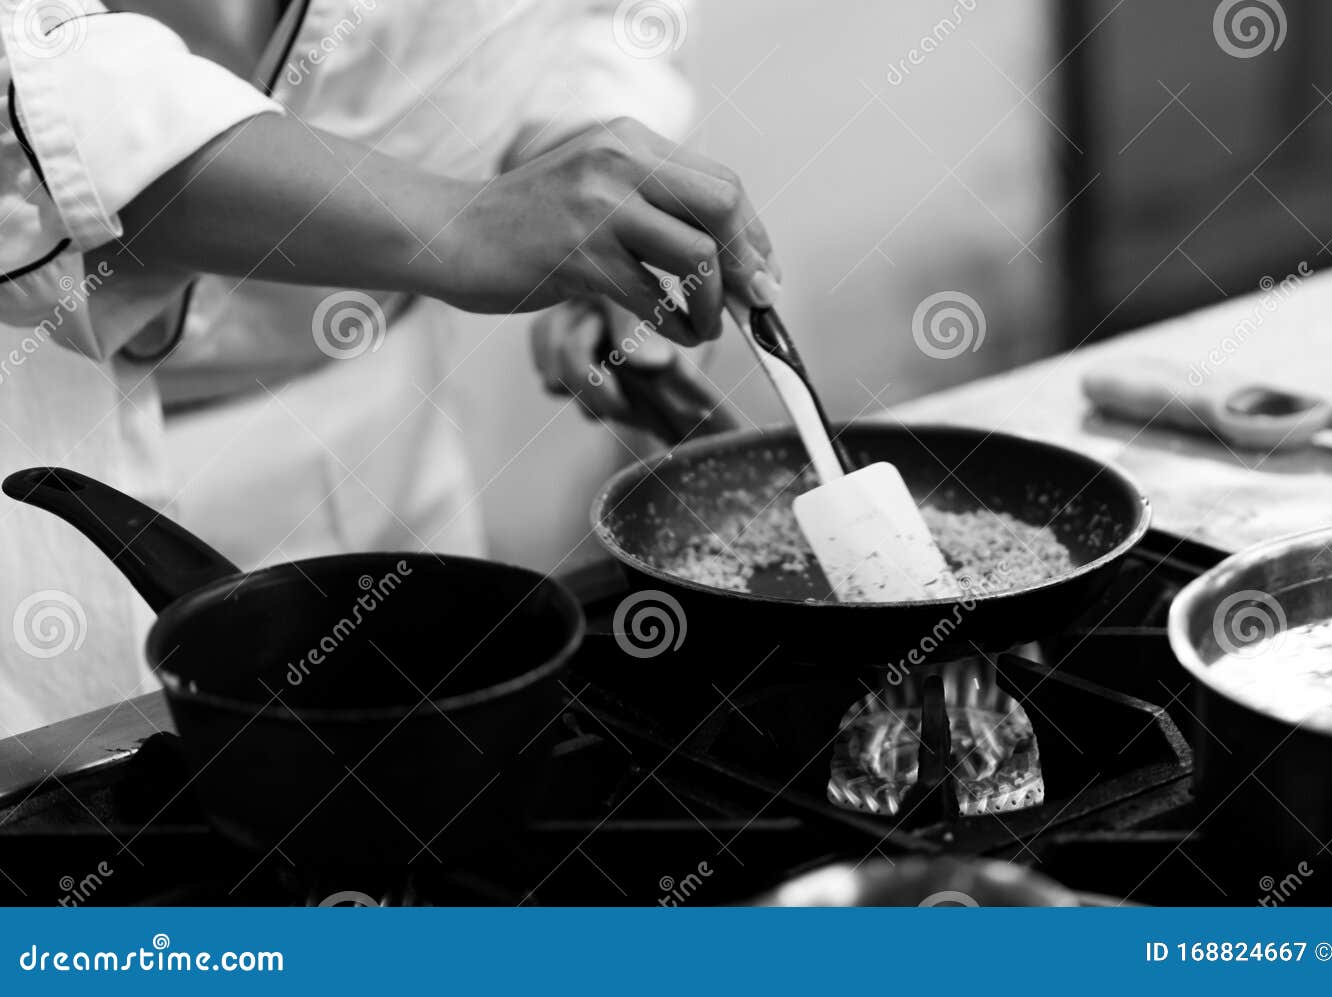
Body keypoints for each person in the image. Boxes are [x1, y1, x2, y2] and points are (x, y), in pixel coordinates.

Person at [0, 0, 776, 735]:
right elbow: (32, 84)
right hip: (59, 462)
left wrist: (582, 171)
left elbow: (590, 19)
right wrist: (465, 226)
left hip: (387, 424)